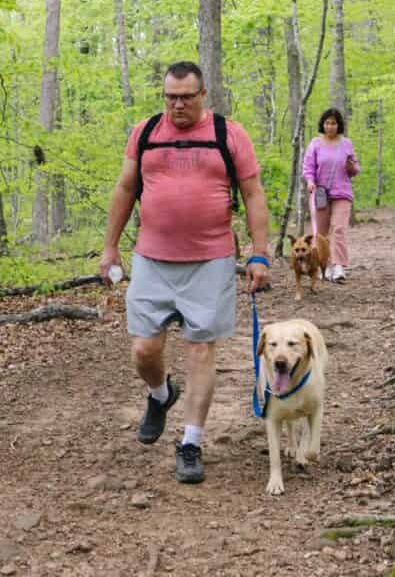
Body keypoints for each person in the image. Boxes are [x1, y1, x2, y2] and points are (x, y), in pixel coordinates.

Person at [99, 61, 272, 484]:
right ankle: (161, 394)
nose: (177, 105)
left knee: (200, 350)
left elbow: (251, 193)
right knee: (144, 349)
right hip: (152, 259)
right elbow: (125, 188)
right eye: (170, 97)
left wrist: (259, 253)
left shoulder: (228, 134)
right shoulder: (145, 133)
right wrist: (110, 248)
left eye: (186, 97)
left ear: (203, 95)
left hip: (210, 259)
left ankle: (191, 442)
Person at [302, 107, 359, 283]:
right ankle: (322, 266)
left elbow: (355, 169)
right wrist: (310, 181)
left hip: (342, 192)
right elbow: (308, 167)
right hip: (320, 193)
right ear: (323, 124)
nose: (330, 126)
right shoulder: (315, 144)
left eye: (333, 123)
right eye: (327, 123)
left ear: (338, 125)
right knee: (321, 233)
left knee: (338, 229)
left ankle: (339, 266)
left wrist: (351, 166)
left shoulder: (346, 143)